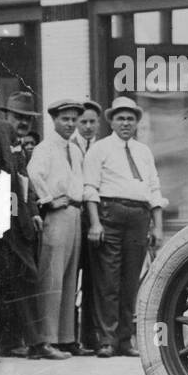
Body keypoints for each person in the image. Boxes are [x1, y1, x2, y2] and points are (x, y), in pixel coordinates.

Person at [82, 95, 164, 358]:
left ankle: (125, 339)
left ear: (137, 122)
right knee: (108, 280)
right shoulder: (100, 149)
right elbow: (90, 188)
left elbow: (154, 189)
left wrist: (157, 227)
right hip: (110, 214)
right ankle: (107, 339)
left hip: (139, 217)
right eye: (120, 118)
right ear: (111, 122)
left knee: (130, 281)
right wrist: (95, 223)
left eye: (130, 119)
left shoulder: (144, 151)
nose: (126, 123)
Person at [26, 98, 87, 360]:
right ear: (54, 120)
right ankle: (46, 339)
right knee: (51, 277)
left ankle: (65, 338)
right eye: (65, 119)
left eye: (74, 119)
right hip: (57, 214)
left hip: (74, 213)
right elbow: (33, 174)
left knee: (69, 277)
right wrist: (48, 199)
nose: (70, 124)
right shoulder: (45, 148)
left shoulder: (74, 149)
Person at [0, 87, 43, 358]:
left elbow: (23, 177)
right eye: (18, 116)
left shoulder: (15, 139)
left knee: (20, 278)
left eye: (27, 118)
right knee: (2, 280)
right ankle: (13, 342)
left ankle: (15, 341)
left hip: (17, 221)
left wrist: (32, 211)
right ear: (6, 115)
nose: (23, 122)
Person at [72, 99, 103, 352]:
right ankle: (69, 338)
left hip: (95, 220)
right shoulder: (69, 147)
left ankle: (90, 337)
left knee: (94, 281)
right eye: (83, 122)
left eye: (93, 122)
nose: (88, 126)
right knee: (71, 279)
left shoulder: (102, 149)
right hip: (74, 220)